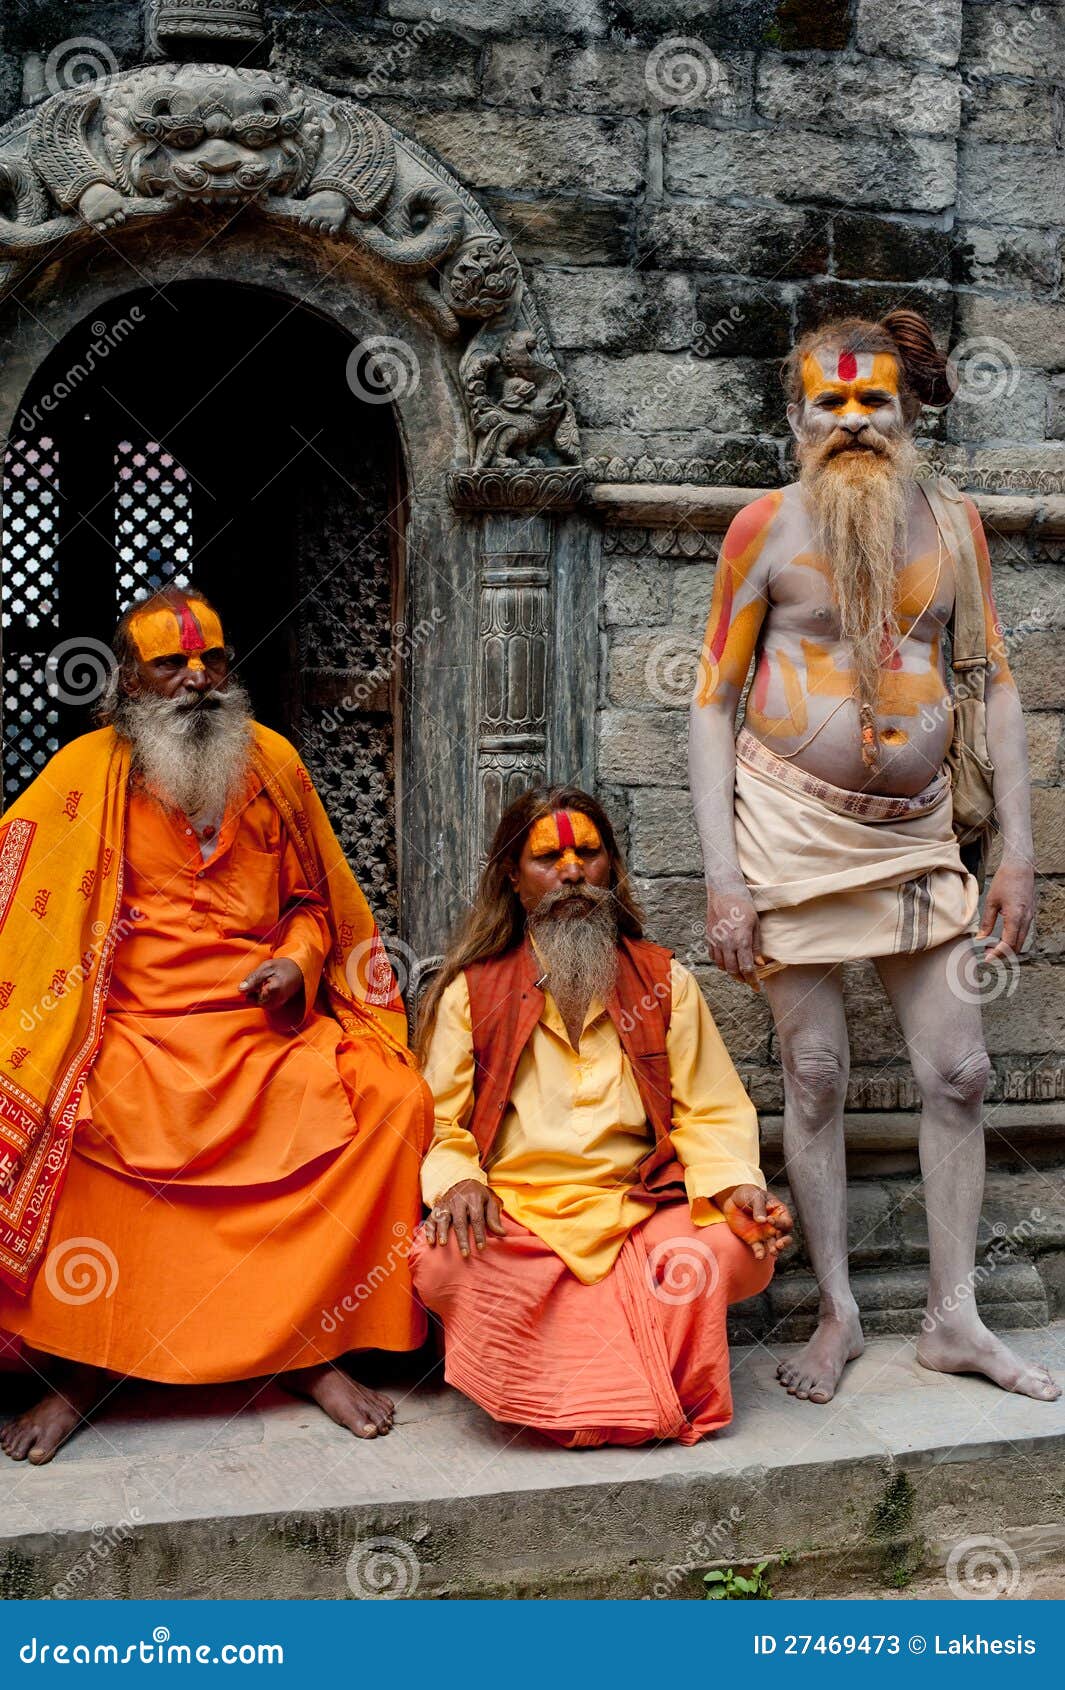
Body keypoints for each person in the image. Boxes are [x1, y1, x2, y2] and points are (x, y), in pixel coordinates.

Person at [688, 308, 1060, 1406]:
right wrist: (722, 876)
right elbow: (709, 702)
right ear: (795, 418)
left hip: (918, 836)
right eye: (830, 401)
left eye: (873, 399)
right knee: (813, 1075)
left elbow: (994, 682)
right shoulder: (762, 527)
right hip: (787, 830)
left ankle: (954, 1318)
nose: (852, 419)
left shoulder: (956, 526)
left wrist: (1018, 854)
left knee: (960, 1073)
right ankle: (837, 1311)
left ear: (908, 413)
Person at [0, 587, 431, 1463]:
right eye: (171, 663)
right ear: (128, 681)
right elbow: (18, 895)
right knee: (62, 1119)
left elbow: (315, 901)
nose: (197, 678)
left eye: (212, 660)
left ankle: (308, 1349)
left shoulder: (270, 761)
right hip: (132, 1032)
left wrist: (300, 962)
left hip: (263, 1033)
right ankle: (84, 1369)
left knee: (395, 1100)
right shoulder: (83, 777)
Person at [410, 786, 792, 1448]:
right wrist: (460, 1182)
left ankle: (594, 1394)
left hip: (638, 1208)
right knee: (442, 1262)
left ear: (609, 867)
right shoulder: (471, 991)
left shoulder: (663, 981)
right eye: (547, 858)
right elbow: (439, 1124)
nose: (571, 873)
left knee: (736, 1249)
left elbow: (710, 1111)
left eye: (587, 854)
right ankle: (597, 1393)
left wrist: (735, 1185)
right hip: (519, 1216)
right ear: (512, 877)